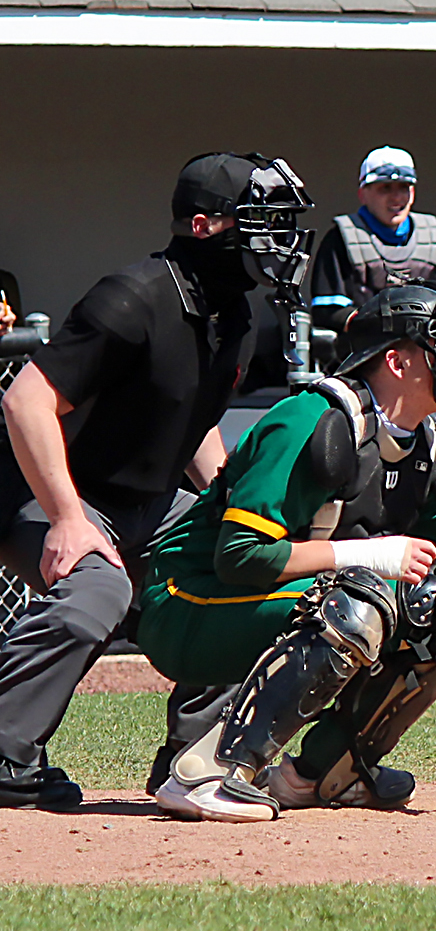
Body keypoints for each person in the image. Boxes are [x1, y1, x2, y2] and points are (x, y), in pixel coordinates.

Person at [139, 282, 436, 823]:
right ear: (397, 360)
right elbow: (241, 557)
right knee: (356, 601)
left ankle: (326, 773)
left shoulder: (424, 447)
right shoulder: (311, 421)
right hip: (187, 602)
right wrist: (368, 556)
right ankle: (209, 771)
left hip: (264, 602)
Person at [0, 152, 314, 810]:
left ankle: (195, 760)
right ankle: (7, 751)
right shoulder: (132, 298)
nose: (278, 241)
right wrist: (67, 518)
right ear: (203, 226)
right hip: (50, 492)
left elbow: (191, 418)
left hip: (149, 502)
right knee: (98, 592)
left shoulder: (235, 317)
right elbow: (26, 402)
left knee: (241, 569)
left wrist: (229, 505)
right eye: (261, 223)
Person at [310, 147, 436, 334]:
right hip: (362, 344)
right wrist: (377, 326)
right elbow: (327, 310)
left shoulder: (435, 237)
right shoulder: (342, 237)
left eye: (403, 188)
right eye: (385, 188)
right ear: (363, 194)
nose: (396, 197)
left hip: (422, 342)